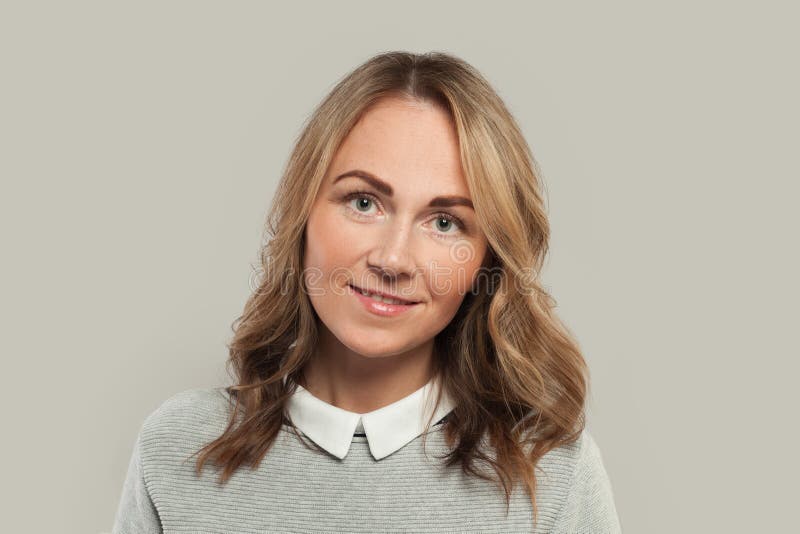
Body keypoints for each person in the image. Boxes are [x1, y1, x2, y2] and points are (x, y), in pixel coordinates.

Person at [110, 51, 622, 533]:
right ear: (303, 211)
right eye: (363, 202)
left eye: (445, 222)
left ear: (487, 260)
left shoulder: (552, 474)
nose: (392, 260)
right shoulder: (178, 447)